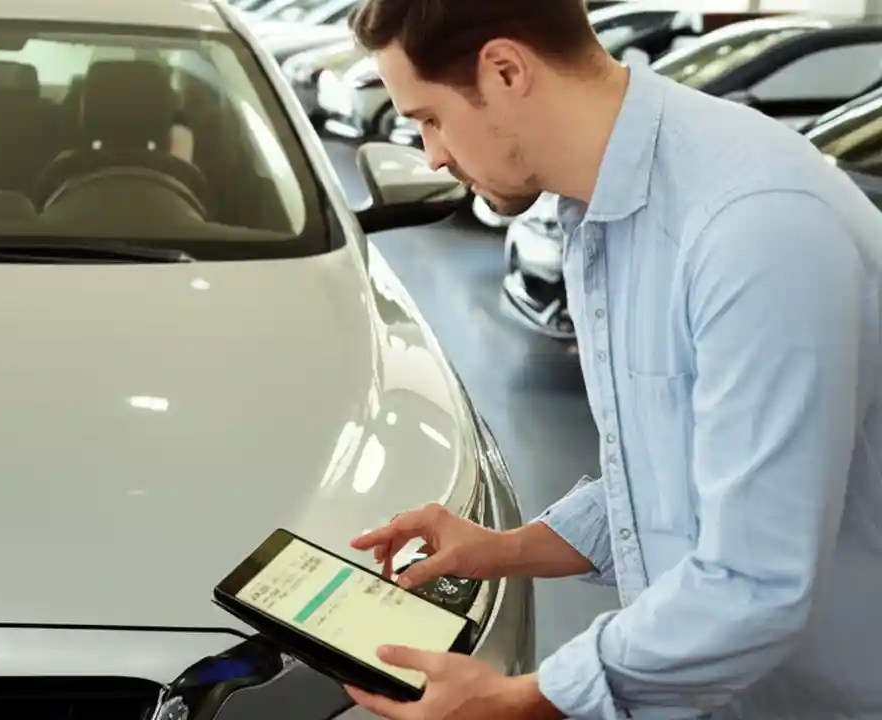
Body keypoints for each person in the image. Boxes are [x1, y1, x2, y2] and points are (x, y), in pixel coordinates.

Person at [342, 1, 882, 719]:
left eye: (430, 118)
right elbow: (671, 473)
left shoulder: (753, 228)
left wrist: (522, 700)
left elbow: (754, 583)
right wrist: (503, 549)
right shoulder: (610, 210)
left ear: (505, 70)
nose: (432, 153)